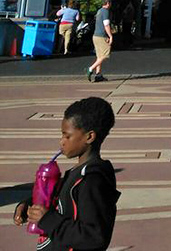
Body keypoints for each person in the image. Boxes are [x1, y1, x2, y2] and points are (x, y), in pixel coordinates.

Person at [14, 96, 119, 250]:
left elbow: (94, 237)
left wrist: (48, 219)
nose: (61, 141)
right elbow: (60, 200)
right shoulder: (76, 173)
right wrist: (29, 204)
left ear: (89, 137)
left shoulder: (92, 181)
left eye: (67, 135)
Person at [87, 0, 113, 82]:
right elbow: (106, 24)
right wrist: (110, 36)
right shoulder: (105, 12)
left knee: (99, 56)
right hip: (102, 36)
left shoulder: (99, 11)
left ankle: (98, 75)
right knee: (105, 54)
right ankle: (91, 69)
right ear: (108, 3)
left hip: (95, 35)